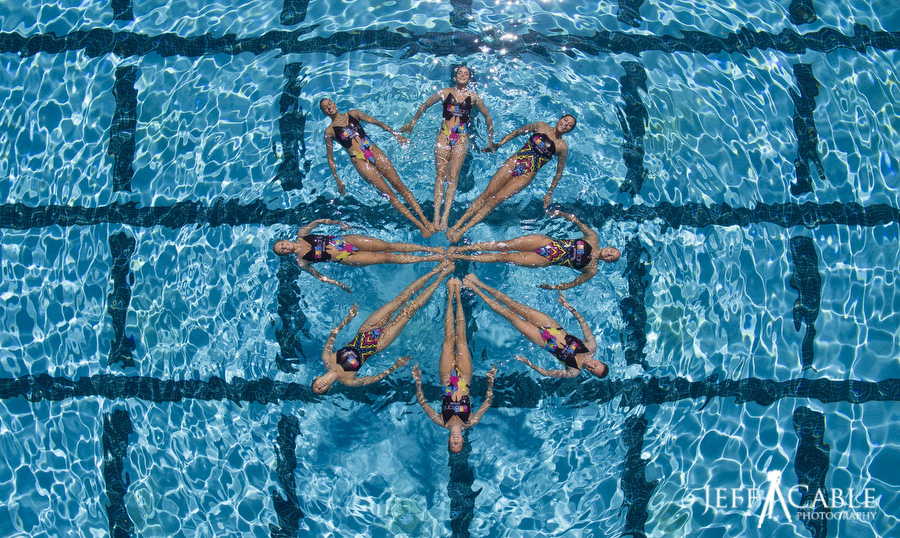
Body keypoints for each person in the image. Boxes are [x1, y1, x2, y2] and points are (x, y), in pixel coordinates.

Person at [313, 261, 455, 394]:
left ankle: (436, 270)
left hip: (365, 330)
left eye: (316, 385)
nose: (319, 386)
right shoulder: (348, 381)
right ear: (329, 389)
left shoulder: (327, 358)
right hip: (378, 344)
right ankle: (441, 277)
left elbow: (334, 333)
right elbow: (375, 378)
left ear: (317, 378)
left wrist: (348, 318)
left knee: (400, 300)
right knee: (410, 310)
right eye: (320, 390)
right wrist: (395, 367)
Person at [446, 114, 576, 242]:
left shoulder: (562, 147)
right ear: (560, 119)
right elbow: (518, 132)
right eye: (565, 120)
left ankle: (463, 230)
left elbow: (559, 172)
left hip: (526, 175)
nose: (566, 124)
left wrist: (549, 193)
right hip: (513, 162)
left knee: (494, 201)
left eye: (570, 125)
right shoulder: (540, 126)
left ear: (569, 130)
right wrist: (499, 144)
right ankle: (457, 225)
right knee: (486, 194)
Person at [399, 66, 496, 231]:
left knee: (453, 177)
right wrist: (412, 123)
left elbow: (487, 116)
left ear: (469, 78)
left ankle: (445, 216)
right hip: (443, 136)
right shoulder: (444, 92)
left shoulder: (474, 98)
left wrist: (490, 138)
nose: (463, 75)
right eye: (460, 73)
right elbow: (425, 105)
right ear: (455, 76)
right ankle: (436, 216)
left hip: (462, 138)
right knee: (440, 176)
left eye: (466, 74)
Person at [320, 98, 434, 237]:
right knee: (390, 195)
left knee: (399, 184)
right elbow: (330, 158)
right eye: (325, 107)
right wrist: (337, 179)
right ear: (324, 112)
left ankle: (423, 218)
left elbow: (376, 122)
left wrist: (396, 134)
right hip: (360, 161)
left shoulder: (353, 114)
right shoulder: (330, 131)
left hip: (374, 151)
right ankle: (418, 224)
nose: (329, 107)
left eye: (330, 104)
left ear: (335, 104)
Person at [462, 273, 609, 378]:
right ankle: (480, 283)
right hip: (553, 326)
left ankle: (476, 290)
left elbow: (547, 373)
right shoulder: (591, 346)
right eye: (595, 365)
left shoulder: (573, 371)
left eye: (591, 370)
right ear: (599, 360)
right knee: (515, 305)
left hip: (541, 340)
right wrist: (568, 306)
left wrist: (529, 363)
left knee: (509, 315)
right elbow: (583, 323)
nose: (591, 366)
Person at [411, 278, 498, 453]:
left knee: (448, 338)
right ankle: (458, 295)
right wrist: (490, 381)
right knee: (462, 338)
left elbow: (423, 404)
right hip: (465, 378)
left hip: (446, 378)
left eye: (453, 444)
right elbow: (487, 402)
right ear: (463, 441)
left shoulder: (441, 421)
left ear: (449, 440)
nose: (456, 441)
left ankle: (450, 294)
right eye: (458, 444)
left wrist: (418, 382)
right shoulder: (470, 421)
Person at [449, 210, 620, 290]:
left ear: (609, 261)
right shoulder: (593, 238)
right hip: (545, 242)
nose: (610, 254)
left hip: (544, 260)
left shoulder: (591, 269)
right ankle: (463, 248)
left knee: (504, 257)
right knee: (504, 245)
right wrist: (561, 213)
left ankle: (464, 258)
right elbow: (577, 222)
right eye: (612, 251)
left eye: (612, 257)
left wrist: (554, 287)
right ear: (609, 247)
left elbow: (573, 284)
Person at [273, 219, 445, 292]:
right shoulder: (302, 261)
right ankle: (428, 258)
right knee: (387, 258)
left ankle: (431, 249)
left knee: (388, 246)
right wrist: (338, 284)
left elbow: (320, 221)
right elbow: (319, 276)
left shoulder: (302, 233)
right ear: (284, 254)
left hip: (346, 241)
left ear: (284, 240)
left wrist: (338, 223)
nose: (285, 247)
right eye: (282, 250)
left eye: (282, 244)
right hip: (346, 258)